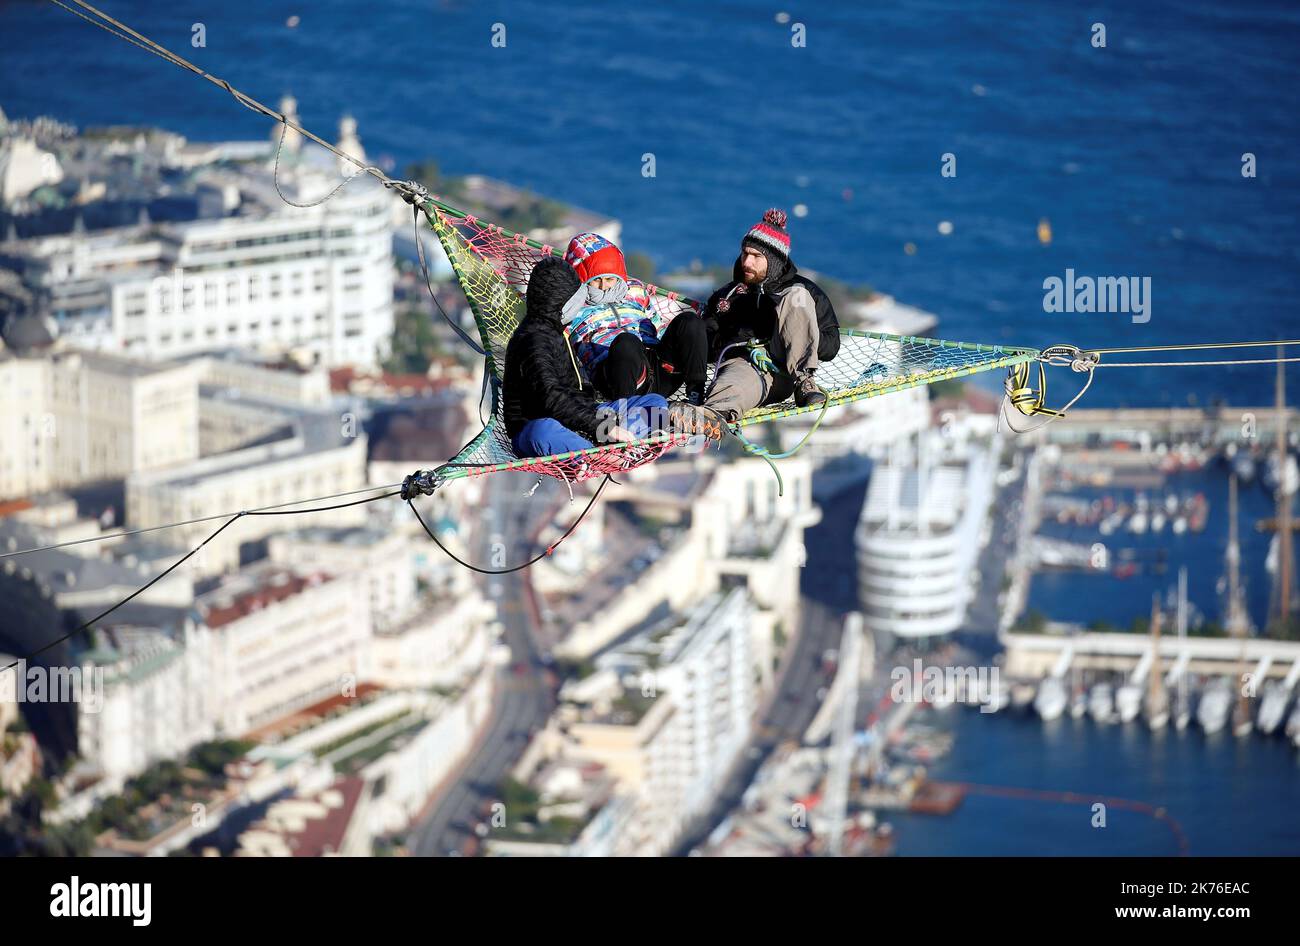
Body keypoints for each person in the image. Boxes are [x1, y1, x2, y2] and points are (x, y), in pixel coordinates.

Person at [503, 256, 672, 458]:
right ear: (563, 306)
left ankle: (617, 446)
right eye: (577, 301)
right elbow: (552, 398)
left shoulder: (555, 330)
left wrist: (598, 418)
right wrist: (603, 425)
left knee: (655, 402)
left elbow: (572, 395)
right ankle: (602, 455)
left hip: (578, 420)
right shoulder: (533, 341)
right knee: (541, 431)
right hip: (538, 426)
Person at [701, 209, 841, 423]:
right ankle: (709, 418)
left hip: (786, 371)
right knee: (727, 392)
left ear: (774, 260)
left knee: (795, 297)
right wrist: (738, 337)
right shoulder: (727, 296)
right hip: (744, 366)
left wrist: (788, 333)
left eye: (756, 256)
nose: (747, 262)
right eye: (745, 253)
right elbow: (707, 345)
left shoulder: (804, 291)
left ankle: (805, 383)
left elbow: (831, 346)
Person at [562, 232, 709, 406]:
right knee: (626, 342)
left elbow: (657, 326)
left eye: (609, 279)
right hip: (615, 374)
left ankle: (696, 396)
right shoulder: (570, 305)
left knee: (689, 322)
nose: (604, 287)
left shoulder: (635, 290)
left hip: (657, 369)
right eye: (596, 281)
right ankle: (626, 413)